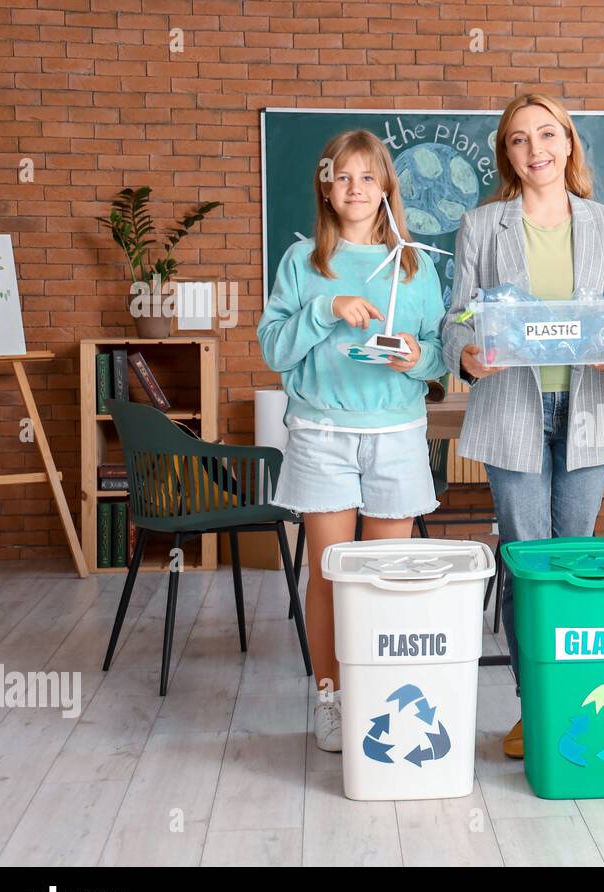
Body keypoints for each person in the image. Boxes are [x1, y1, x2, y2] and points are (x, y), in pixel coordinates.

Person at [439, 93, 604, 759]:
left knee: (573, 561)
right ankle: (533, 705)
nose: (535, 149)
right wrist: (463, 353)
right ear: (507, 154)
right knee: (527, 562)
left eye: (546, 135)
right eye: (519, 140)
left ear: (570, 144)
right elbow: (458, 316)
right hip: (511, 409)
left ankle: (573, 700)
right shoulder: (480, 224)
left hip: (587, 408)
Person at [258, 129, 447, 753]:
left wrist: (416, 358)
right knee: (330, 573)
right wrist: (324, 309)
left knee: (381, 576)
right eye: (343, 176)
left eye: (368, 177)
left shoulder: (414, 266)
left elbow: (440, 356)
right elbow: (273, 350)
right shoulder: (302, 261)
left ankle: (377, 694)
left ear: (386, 187)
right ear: (325, 185)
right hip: (321, 435)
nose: (356, 188)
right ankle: (331, 697)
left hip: (395, 435)